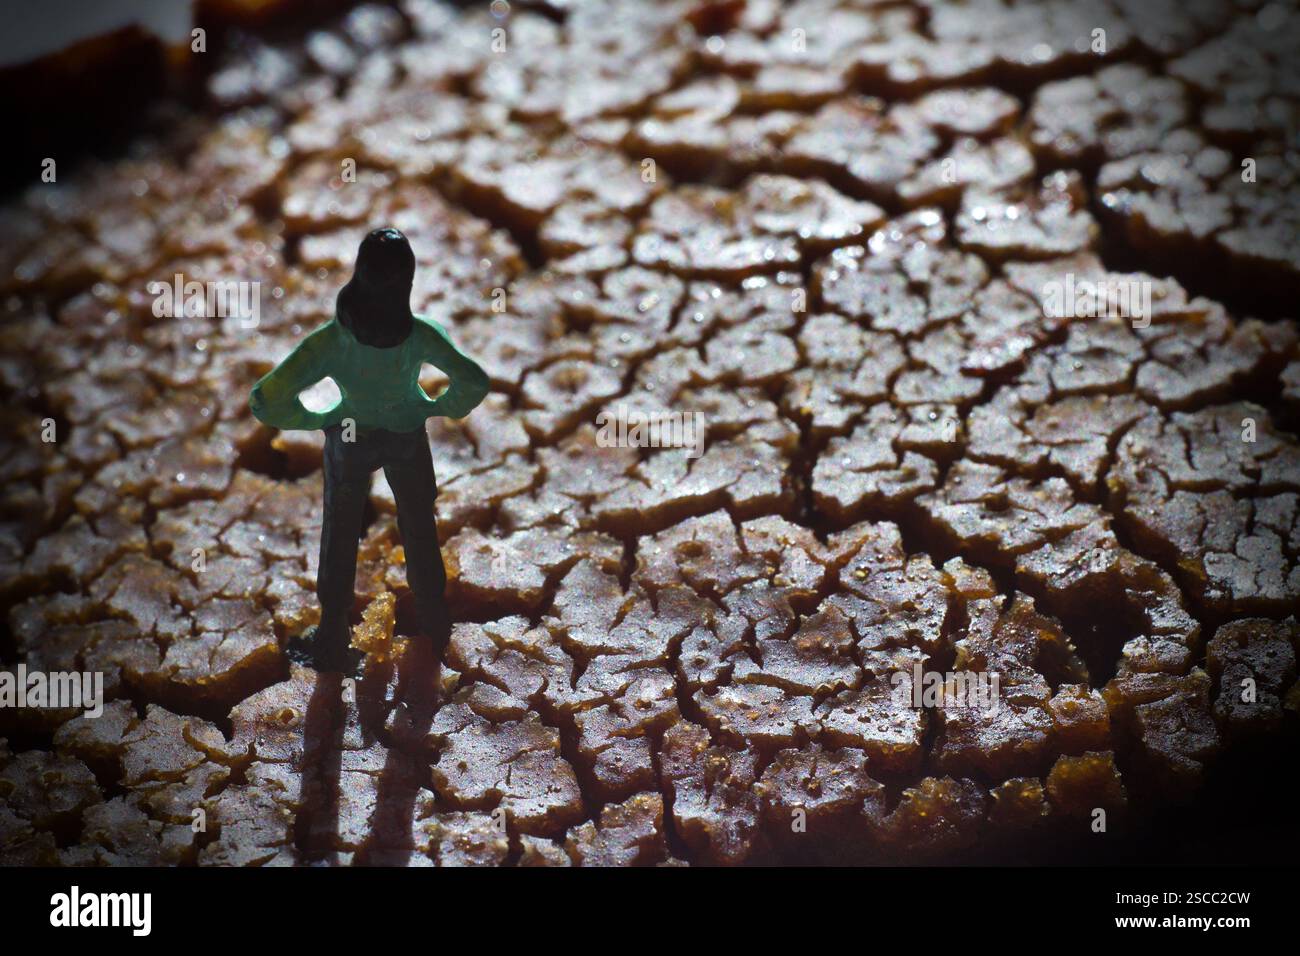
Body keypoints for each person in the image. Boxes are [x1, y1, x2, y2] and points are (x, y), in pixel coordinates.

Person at [249, 227, 489, 670]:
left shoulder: (330, 341)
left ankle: (332, 637)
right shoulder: (420, 335)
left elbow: (266, 399)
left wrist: (321, 418)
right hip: (405, 436)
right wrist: (431, 406)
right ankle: (434, 623)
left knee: (340, 532)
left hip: (350, 438)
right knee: (419, 525)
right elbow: (475, 381)